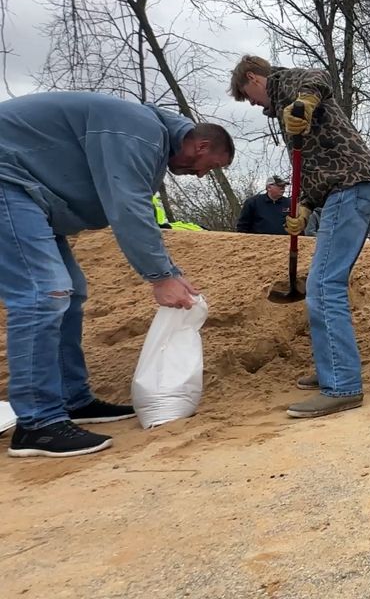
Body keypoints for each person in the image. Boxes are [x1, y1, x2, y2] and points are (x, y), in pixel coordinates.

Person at [0, 92, 233, 458]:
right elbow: (127, 204)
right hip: (8, 180)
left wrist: (172, 272)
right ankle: (37, 424)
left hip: (33, 192)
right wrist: (160, 276)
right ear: (201, 145)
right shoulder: (139, 132)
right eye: (209, 165)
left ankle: (70, 400)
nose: (202, 175)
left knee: (70, 292)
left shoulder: (147, 133)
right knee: (42, 294)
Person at [231, 55, 370, 417]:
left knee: (322, 284)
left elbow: (319, 75)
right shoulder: (286, 107)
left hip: (352, 186)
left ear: (255, 78)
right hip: (342, 188)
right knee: (324, 282)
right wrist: (304, 205)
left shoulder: (284, 84)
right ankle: (333, 369)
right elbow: (316, 163)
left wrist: (304, 102)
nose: (254, 104)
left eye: (248, 95)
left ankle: (343, 385)